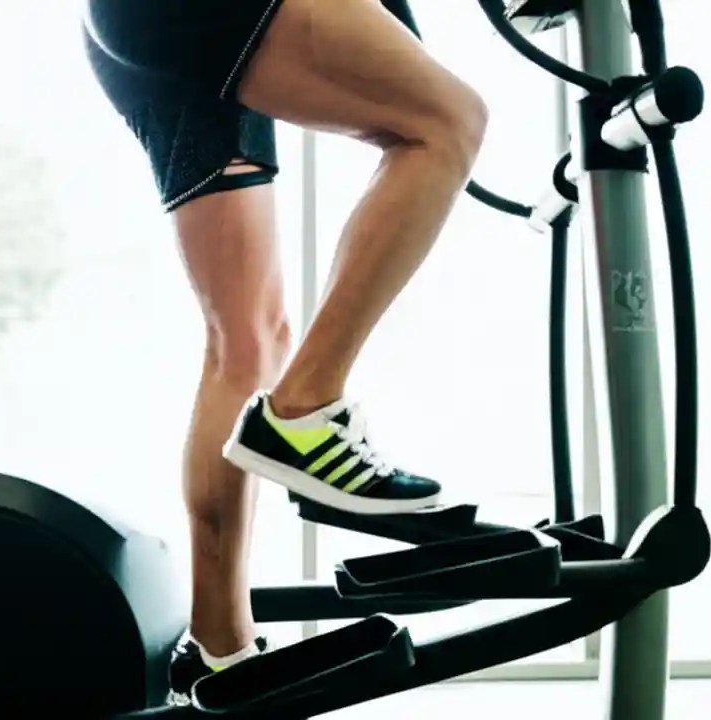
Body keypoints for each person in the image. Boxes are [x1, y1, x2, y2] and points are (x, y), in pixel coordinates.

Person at [82, 0, 488, 704]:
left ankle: (218, 648)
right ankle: (306, 407)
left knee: (246, 345)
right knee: (447, 124)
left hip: (135, 26)